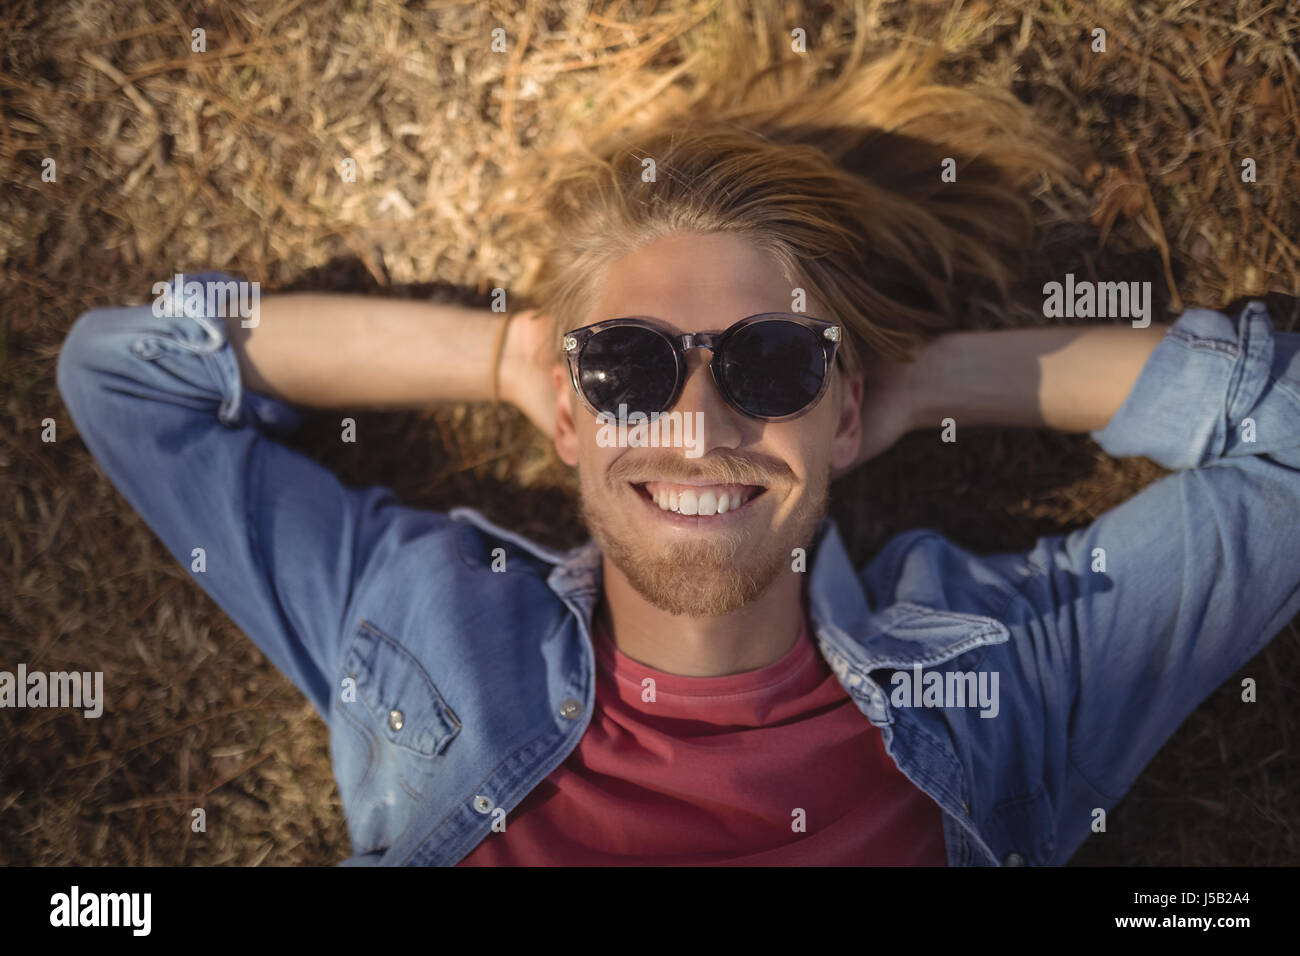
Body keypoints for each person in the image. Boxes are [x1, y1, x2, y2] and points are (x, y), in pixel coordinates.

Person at [55, 42, 1300, 866]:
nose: (700, 425)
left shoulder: (1015, 678)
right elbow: (118, 371)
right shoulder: (423, 621)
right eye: (628, 370)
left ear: (846, 418)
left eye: (770, 366)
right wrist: (501, 360)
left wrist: (931, 377)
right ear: (566, 412)